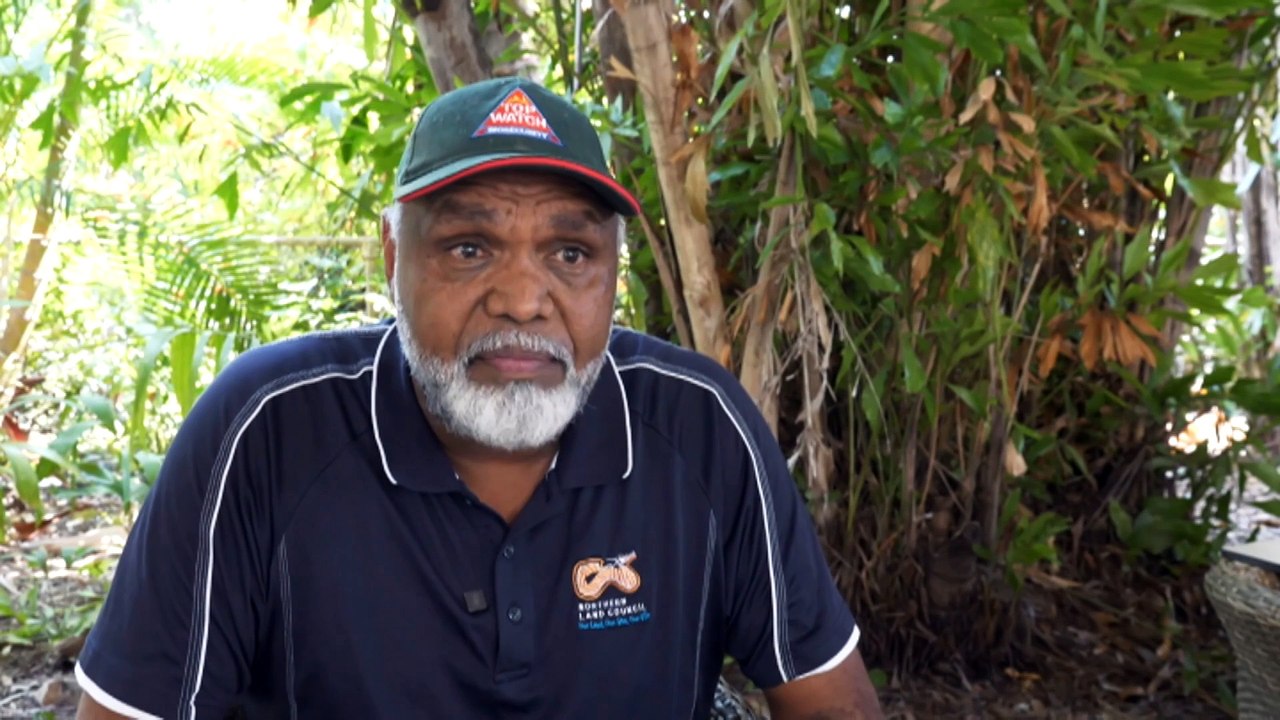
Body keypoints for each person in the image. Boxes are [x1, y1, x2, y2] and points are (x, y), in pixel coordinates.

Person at [75, 76, 883, 720]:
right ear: (393, 255)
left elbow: (830, 702)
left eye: (570, 254)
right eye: (469, 248)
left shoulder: (701, 428)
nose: (523, 301)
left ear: (614, 274)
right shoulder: (265, 434)